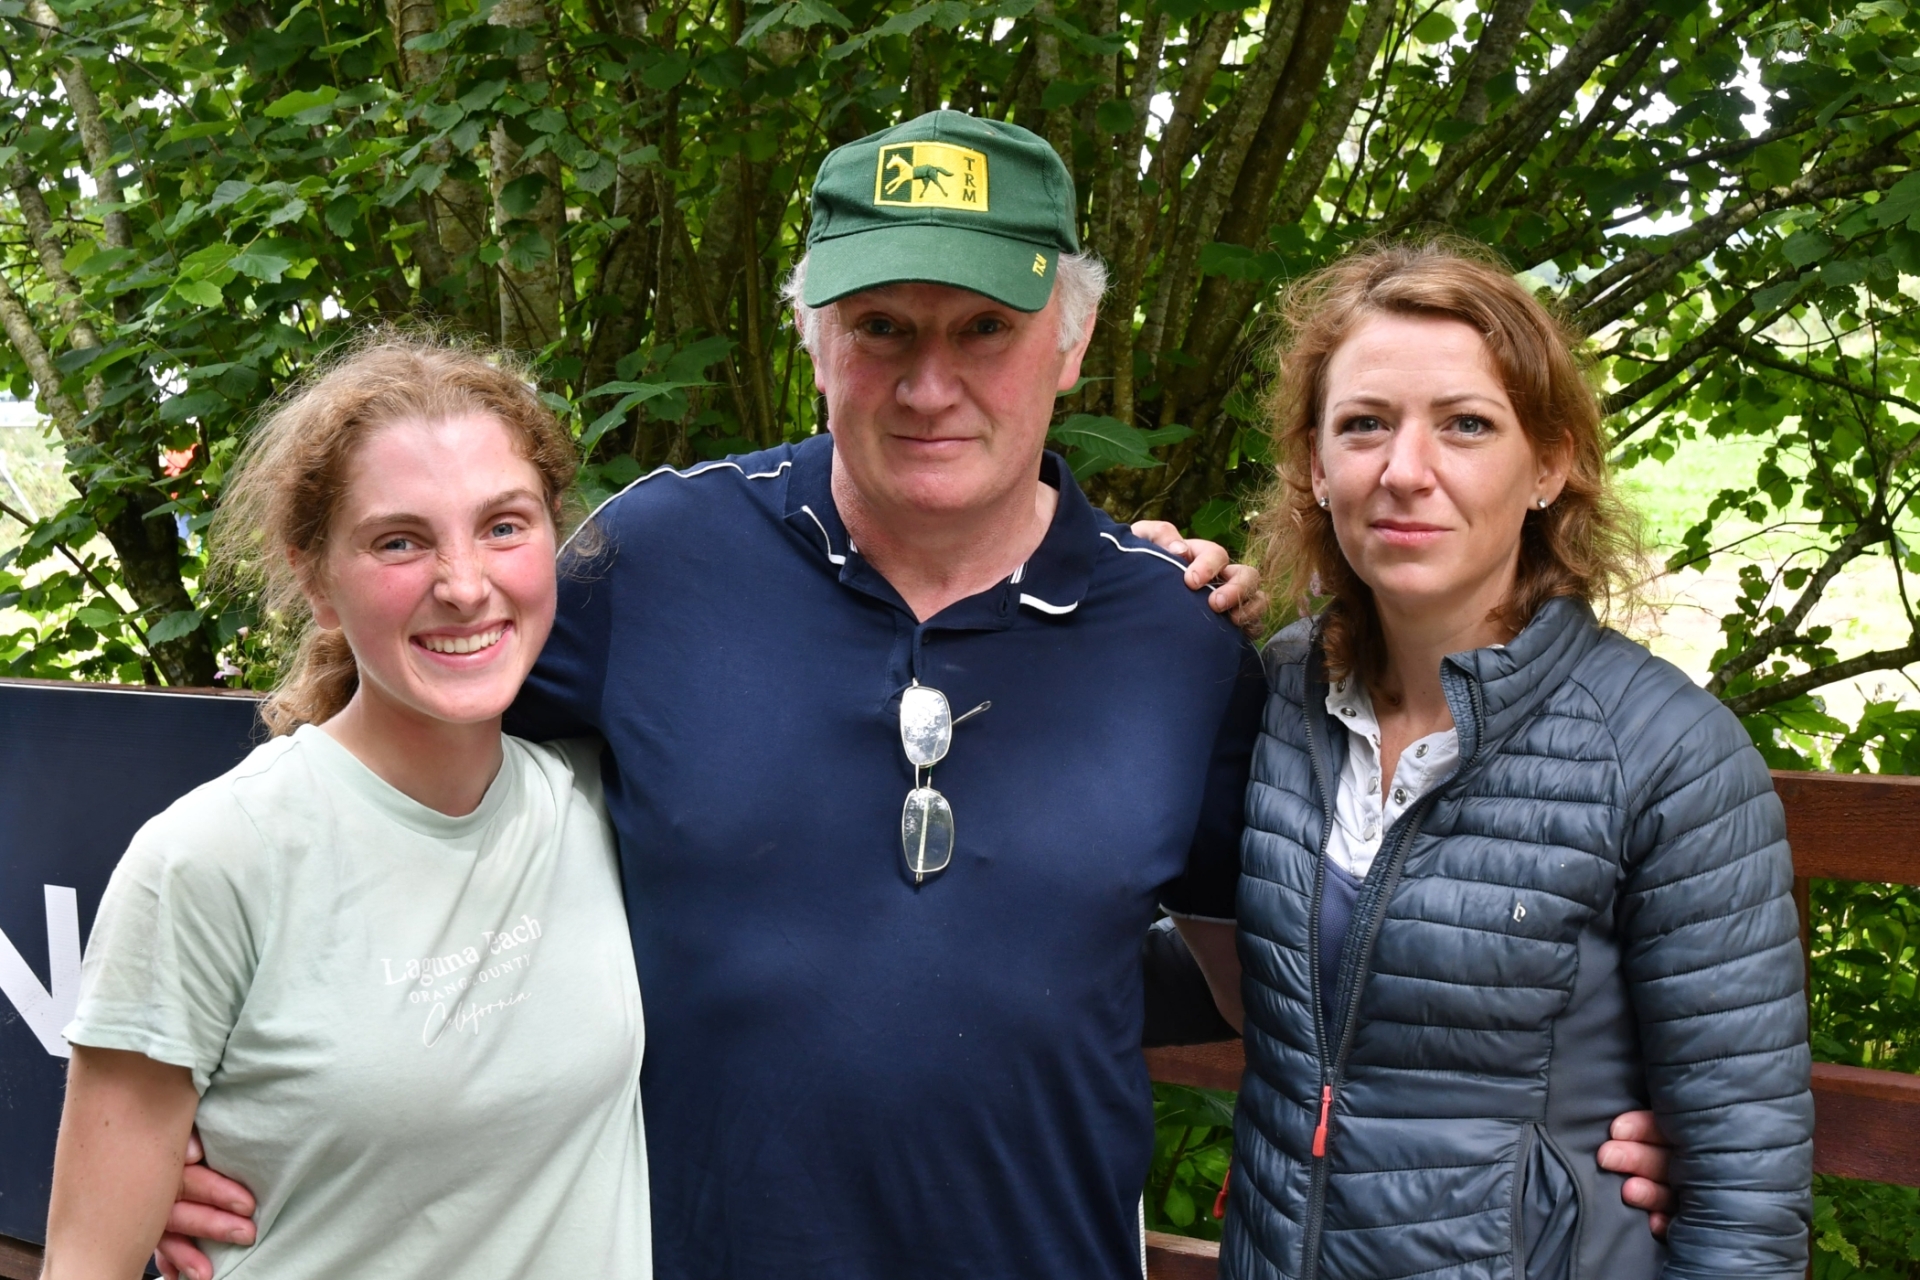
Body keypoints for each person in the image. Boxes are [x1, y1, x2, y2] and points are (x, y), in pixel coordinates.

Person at [155, 115, 1678, 1280]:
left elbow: (1363, 897)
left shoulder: (1169, 632)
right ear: (809, 332)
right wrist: (182, 1117)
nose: (930, 382)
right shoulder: (661, 558)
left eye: (984, 330)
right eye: (881, 327)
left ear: (1070, 339)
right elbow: (370, 779)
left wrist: (1602, 1100)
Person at [1179, 240, 1812, 1280]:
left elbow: (1745, 1202)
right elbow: (1250, 968)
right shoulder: (1280, 692)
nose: (1405, 470)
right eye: (1364, 424)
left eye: (1466, 424)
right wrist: (1137, 612)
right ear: (1315, 463)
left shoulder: (1667, 753)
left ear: (1549, 463)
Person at [43, 338, 651, 1280]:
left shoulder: (601, 803)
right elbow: (88, 1260)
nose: (462, 583)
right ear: (317, 580)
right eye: (399, 541)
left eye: (503, 525)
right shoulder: (210, 861)